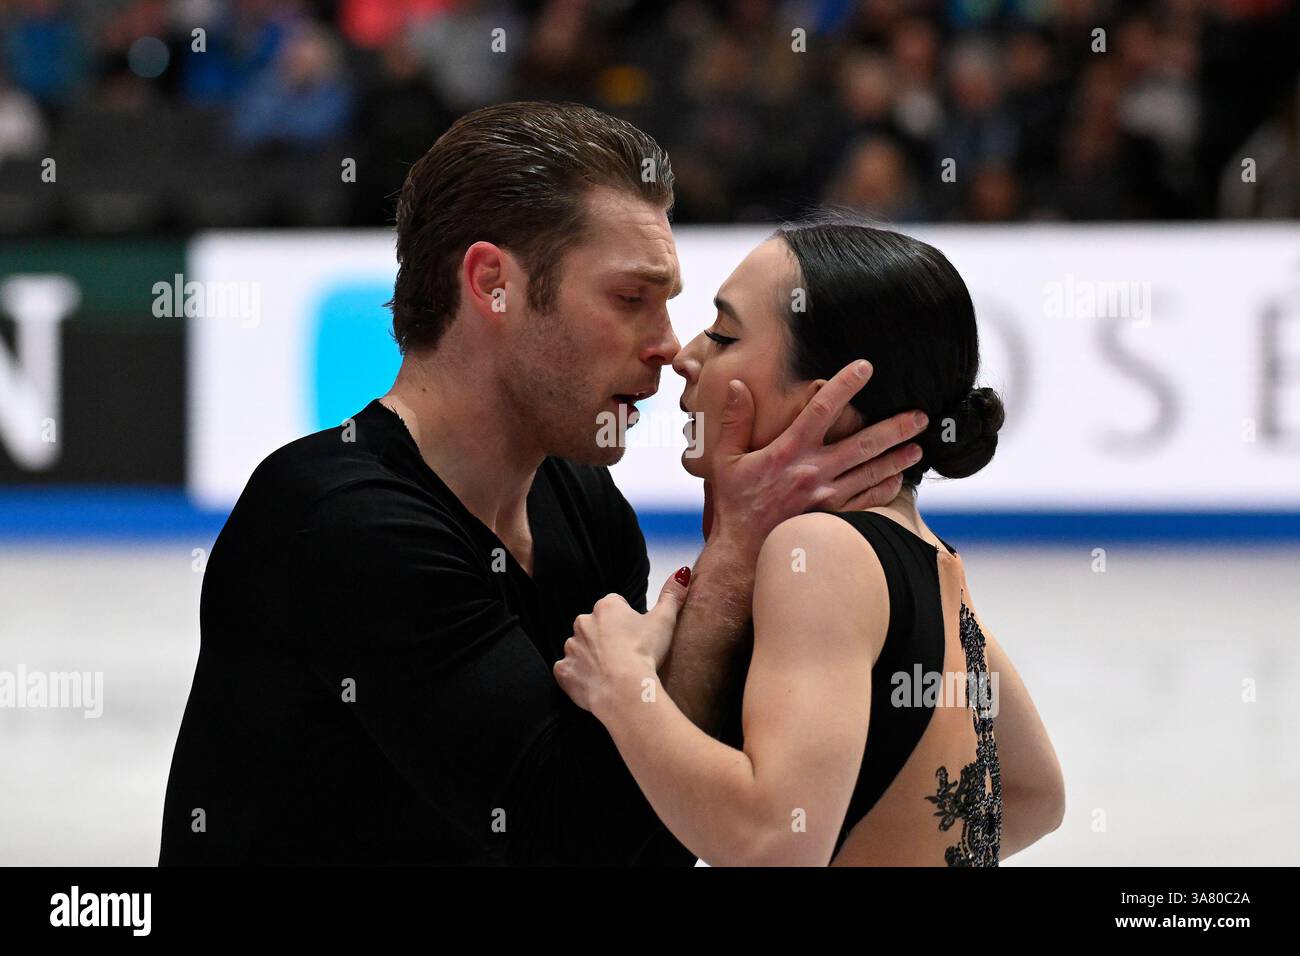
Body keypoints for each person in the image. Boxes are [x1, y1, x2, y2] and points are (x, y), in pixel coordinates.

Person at [158, 103, 927, 865]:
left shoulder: (584, 507)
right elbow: (587, 844)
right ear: (493, 283)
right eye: (632, 298)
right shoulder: (337, 518)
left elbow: (659, 825)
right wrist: (733, 558)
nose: (669, 347)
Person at [554, 216, 1066, 866]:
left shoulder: (822, 553)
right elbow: (1031, 795)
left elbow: (778, 843)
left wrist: (624, 686)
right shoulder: (925, 554)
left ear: (825, 402)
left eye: (724, 334)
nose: (686, 355)